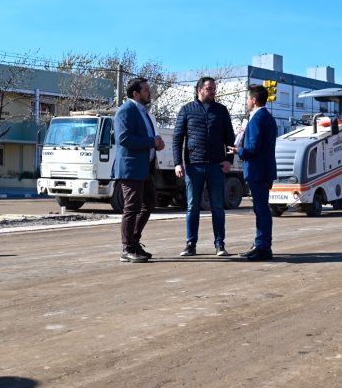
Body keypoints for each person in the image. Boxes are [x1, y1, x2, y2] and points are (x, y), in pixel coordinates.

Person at [173, 76, 236, 256]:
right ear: (199, 90)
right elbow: (178, 139)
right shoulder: (186, 110)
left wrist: (229, 161)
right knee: (192, 206)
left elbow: (229, 138)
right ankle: (190, 245)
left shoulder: (221, 111)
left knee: (217, 205)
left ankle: (219, 245)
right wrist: (178, 163)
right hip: (194, 166)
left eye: (214, 88)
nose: (213, 91)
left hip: (216, 166)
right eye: (209, 89)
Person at [113, 77, 165, 263]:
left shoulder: (143, 112)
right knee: (132, 207)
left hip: (144, 168)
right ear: (135, 93)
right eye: (145, 90)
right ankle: (127, 248)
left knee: (149, 204)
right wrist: (151, 142)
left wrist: (156, 142)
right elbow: (124, 139)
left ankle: (134, 242)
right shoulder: (125, 111)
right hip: (131, 168)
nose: (148, 92)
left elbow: (147, 136)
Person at [227, 85, 278, 261]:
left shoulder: (257, 119)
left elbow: (253, 147)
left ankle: (263, 247)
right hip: (265, 170)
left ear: (254, 100)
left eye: (248, 98)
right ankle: (260, 244)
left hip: (258, 171)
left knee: (262, 210)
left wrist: (237, 151)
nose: (247, 101)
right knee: (261, 209)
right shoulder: (268, 118)